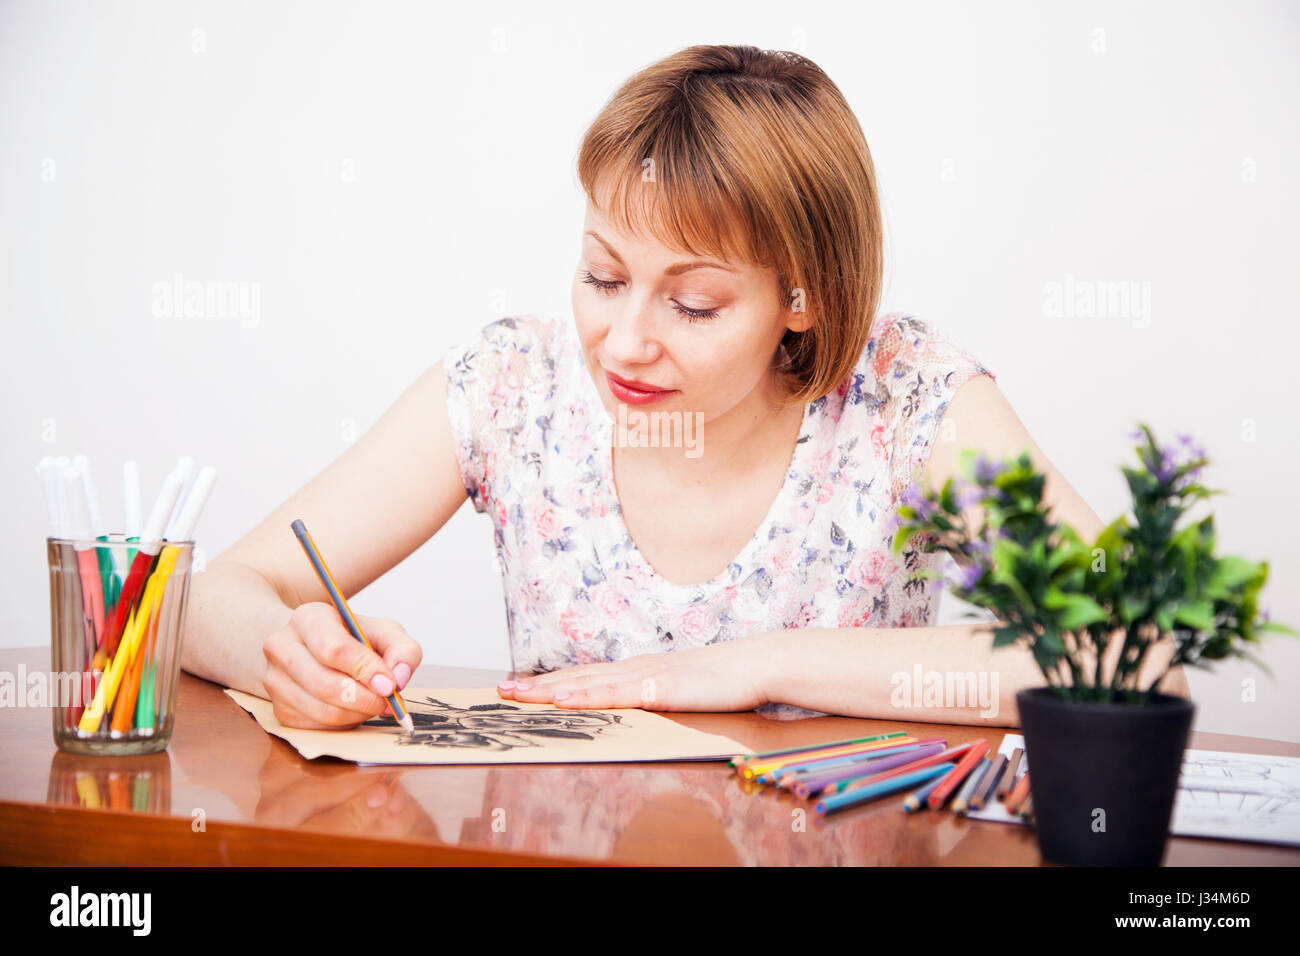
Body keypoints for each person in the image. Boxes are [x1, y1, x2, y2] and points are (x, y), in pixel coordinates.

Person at [181, 44, 1188, 730]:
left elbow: (1137, 660)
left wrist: (755, 663)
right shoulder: (512, 386)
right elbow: (199, 599)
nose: (621, 342)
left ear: (801, 294)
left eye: (693, 304)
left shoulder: (903, 397)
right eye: (602, 275)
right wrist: (286, 648)